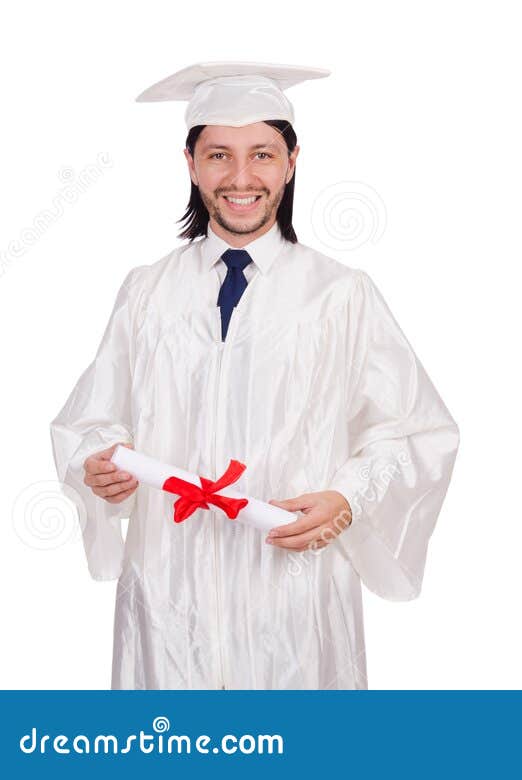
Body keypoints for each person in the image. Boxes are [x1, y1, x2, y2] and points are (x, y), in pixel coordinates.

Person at [51, 62, 459, 689]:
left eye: (262, 154)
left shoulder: (338, 295)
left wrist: (349, 497)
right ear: (190, 162)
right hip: (169, 594)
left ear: (292, 160)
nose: (241, 179)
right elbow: (89, 421)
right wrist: (99, 467)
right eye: (219, 155)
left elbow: (413, 430)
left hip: (293, 601)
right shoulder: (147, 292)